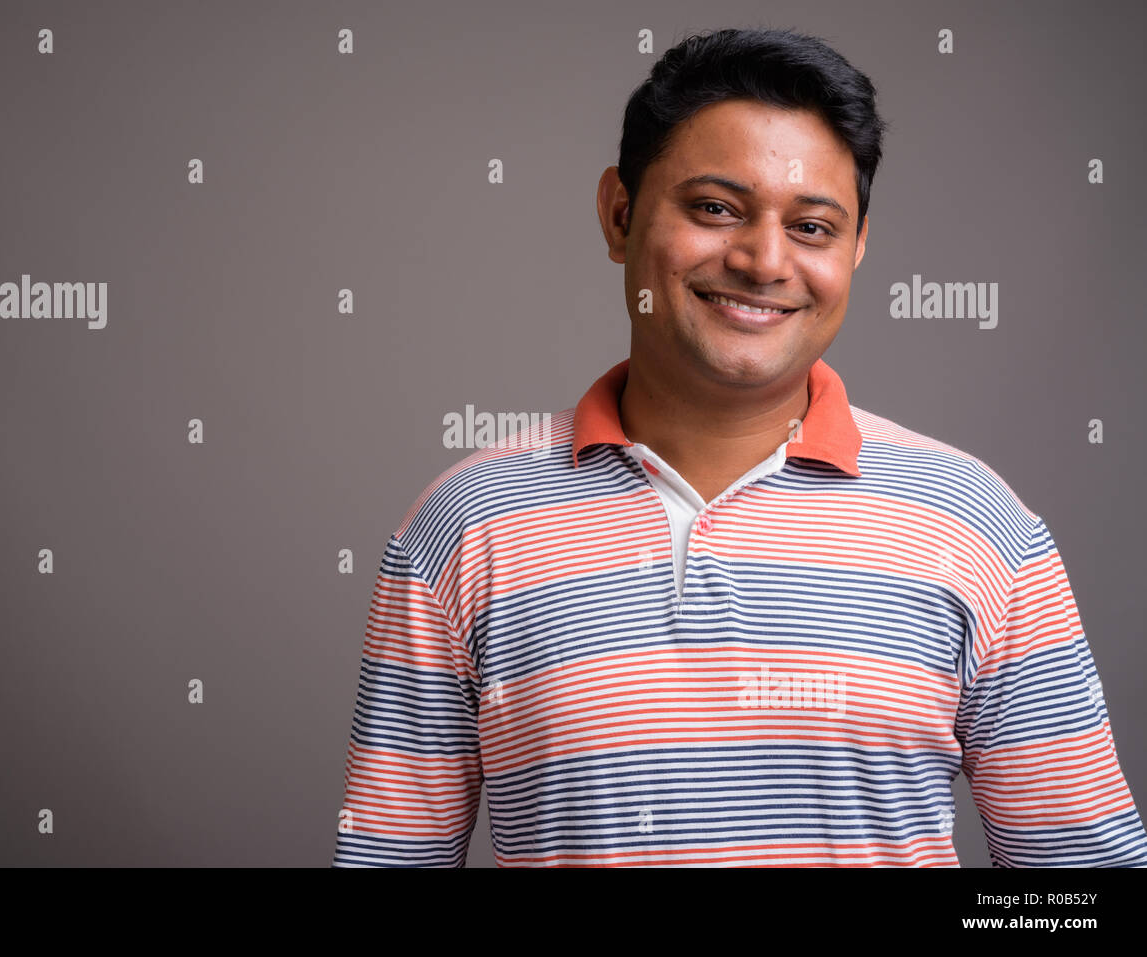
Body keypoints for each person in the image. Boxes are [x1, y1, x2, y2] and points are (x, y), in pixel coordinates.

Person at [331, 27, 1147, 867]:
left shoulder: (978, 525)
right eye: (715, 208)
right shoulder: (462, 526)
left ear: (859, 244)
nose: (763, 261)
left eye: (813, 226)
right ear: (620, 212)